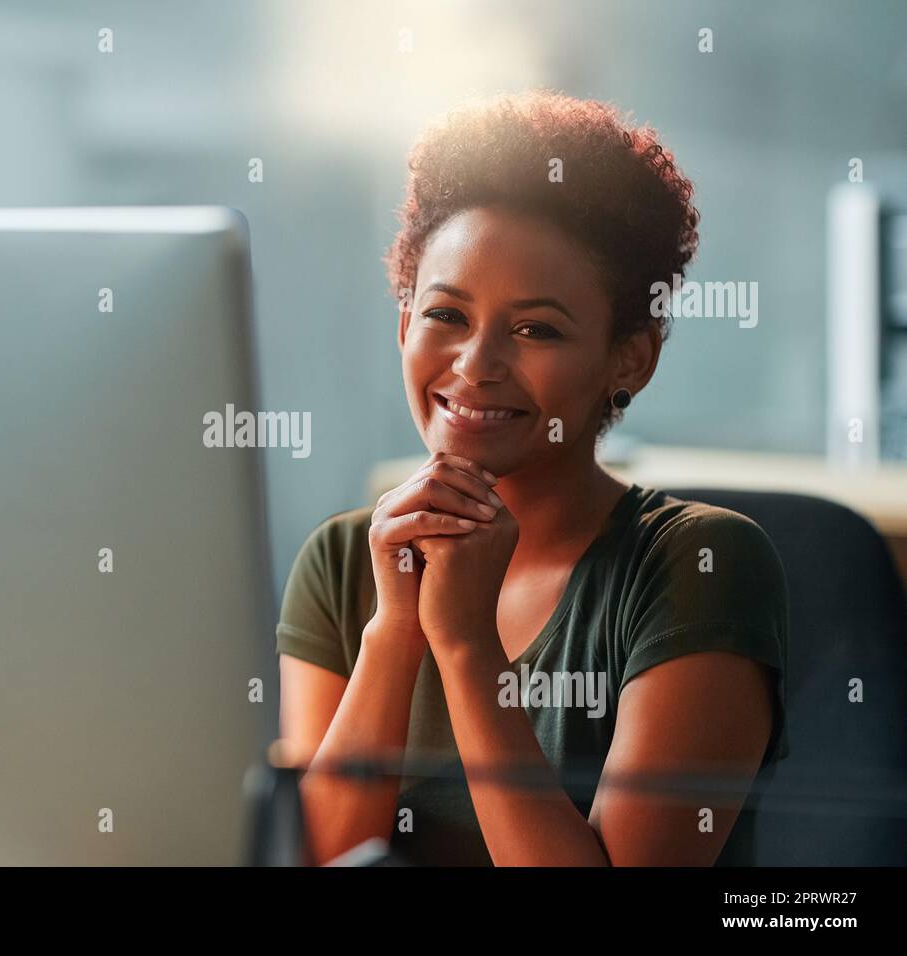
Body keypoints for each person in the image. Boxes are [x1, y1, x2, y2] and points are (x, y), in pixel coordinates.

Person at [275, 90, 789, 866]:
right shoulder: (345, 561)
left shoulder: (700, 566)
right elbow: (314, 857)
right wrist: (395, 632)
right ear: (404, 324)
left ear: (630, 358)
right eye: (446, 315)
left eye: (535, 329)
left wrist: (468, 647)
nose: (475, 366)